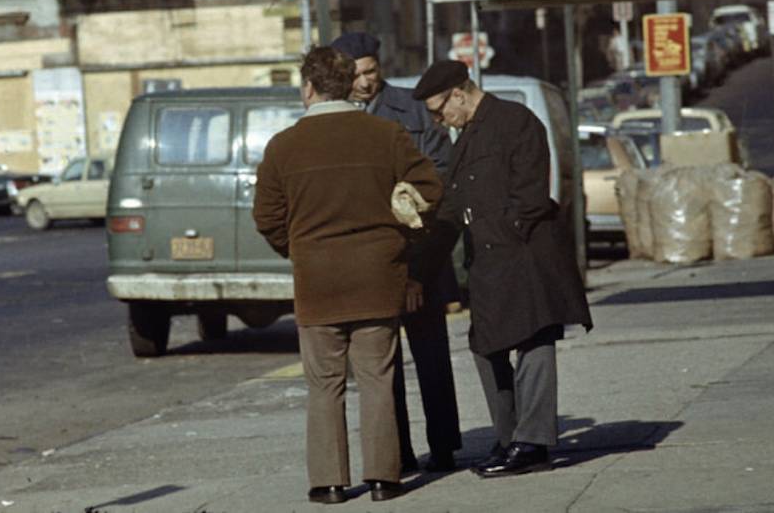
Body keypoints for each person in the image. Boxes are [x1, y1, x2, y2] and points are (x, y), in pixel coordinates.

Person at [252, 47, 443, 505]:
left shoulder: (283, 146)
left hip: (317, 280)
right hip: (378, 276)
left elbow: (267, 217)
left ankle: (329, 483)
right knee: (378, 376)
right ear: (348, 85)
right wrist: (401, 241)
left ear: (309, 88)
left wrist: (298, 249)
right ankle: (384, 478)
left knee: (324, 383)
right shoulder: (386, 134)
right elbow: (429, 191)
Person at [411, 61, 593, 478]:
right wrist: (420, 266)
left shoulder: (516, 121)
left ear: (459, 93)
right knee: (485, 347)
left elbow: (531, 197)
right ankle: (512, 438)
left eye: (439, 110)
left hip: (525, 256)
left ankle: (532, 443)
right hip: (491, 265)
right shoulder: (465, 139)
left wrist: (498, 229)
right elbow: (451, 212)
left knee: (534, 344)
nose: (439, 121)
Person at [330, 32, 462, 474]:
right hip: (371, 258)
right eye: (355, 74)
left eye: (371, 71)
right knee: (382, 365)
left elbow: (438, 183)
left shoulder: (412, 110)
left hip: (419, 249)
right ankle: (398, 452)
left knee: (431, 357)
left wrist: (419, 264)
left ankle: (443, 446)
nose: (365, 82)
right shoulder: (335, 118)